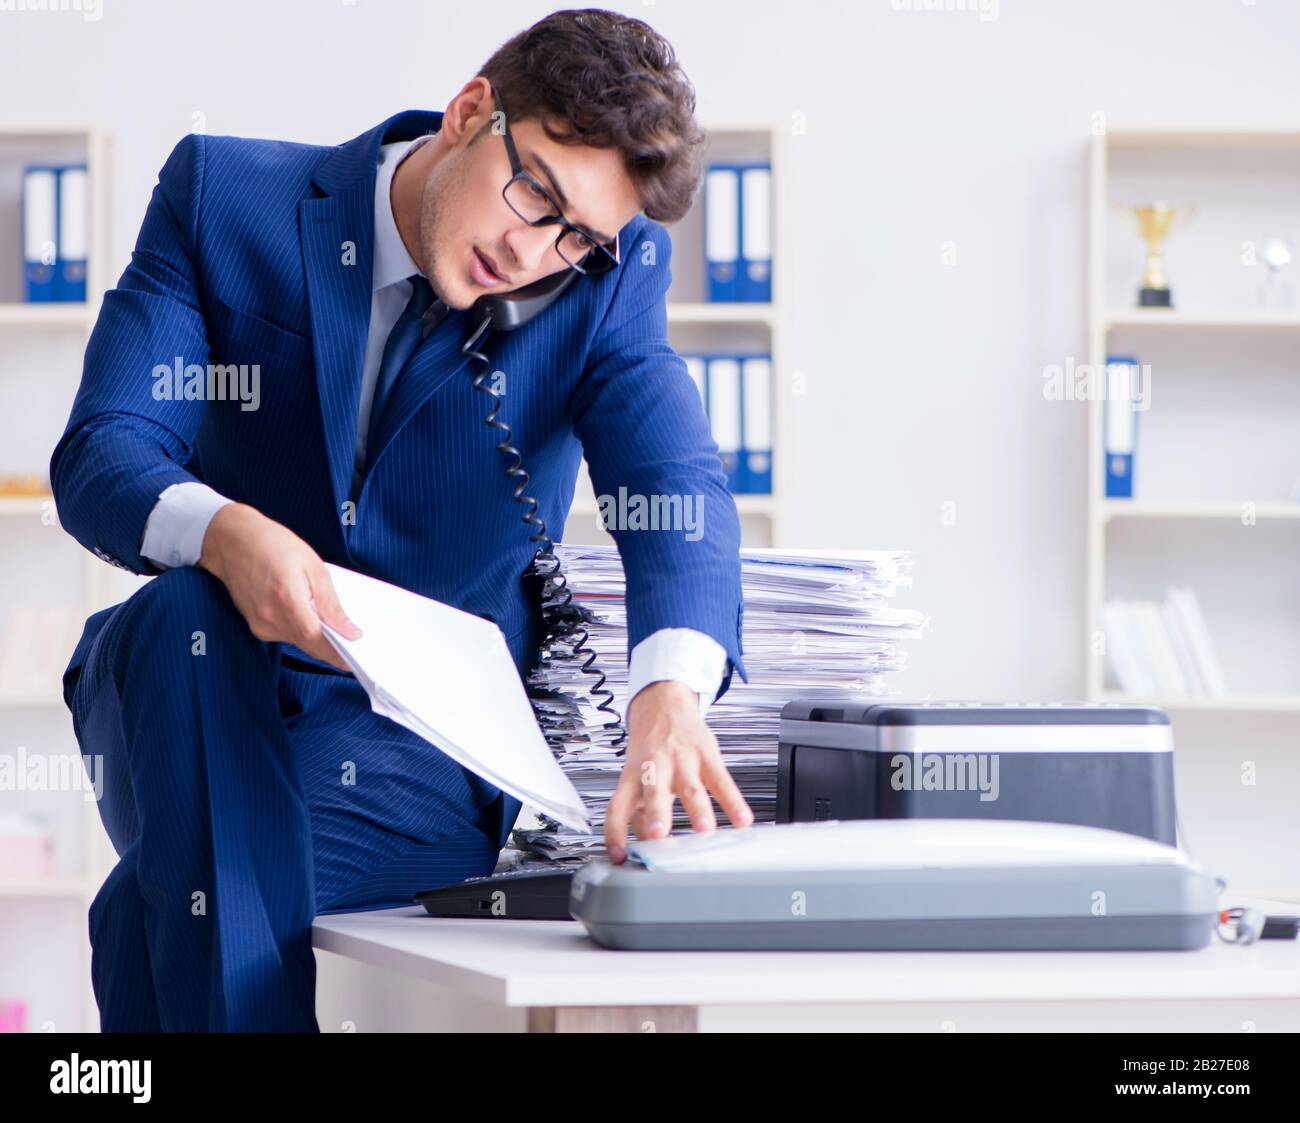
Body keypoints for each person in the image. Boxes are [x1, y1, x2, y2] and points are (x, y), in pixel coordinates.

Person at [51, 9, 752, 1032]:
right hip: (184, 700)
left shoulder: (602, 289)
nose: (532, 251)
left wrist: (670, 690)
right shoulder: (222, 197)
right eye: (534, 194)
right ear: (471, 111)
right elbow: (103, 449)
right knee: (183, 613)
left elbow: (674, 479)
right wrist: (226, 531)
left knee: (149, 907)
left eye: (575, 239)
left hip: (410, 755)